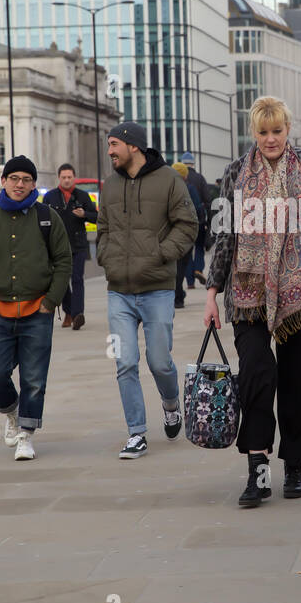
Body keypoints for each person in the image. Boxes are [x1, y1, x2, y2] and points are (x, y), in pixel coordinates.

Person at [204, 96, 301, 508]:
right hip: (247, 294)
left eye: (277, 131)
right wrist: (212, 296)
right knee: (255, 378)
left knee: (297, 383)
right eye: (263, 132)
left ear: (288, 130)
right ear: (254, 133)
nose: (270, 139)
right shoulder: (235, 173)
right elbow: (225, 237)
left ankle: (295, 467)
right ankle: (257, 472)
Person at [96, 122, 199, 460]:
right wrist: (107, 259)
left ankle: (171, 405)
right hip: (119, 292)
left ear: (133, 146)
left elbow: (188, 225)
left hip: (157, 289)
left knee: (159, 362)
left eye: (113, 144)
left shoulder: (169, 180)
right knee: (124, 362)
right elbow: (104, 230)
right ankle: (136, 433)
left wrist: (160, 255)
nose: (109, 151)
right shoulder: (109, 186)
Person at [0, 156, 72, 461]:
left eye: (26, 179)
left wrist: (50, 302)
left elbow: (64, 261)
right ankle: (11, 411)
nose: (19, 184)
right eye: (13, 178)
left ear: (34, 184)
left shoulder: (47, 218)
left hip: (37, 310)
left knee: (34, 379)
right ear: (3, 182)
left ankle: (26, 434)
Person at [42, 163, 97, 330]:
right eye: (64, 177)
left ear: (74, 178)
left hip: (78, 244)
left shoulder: (83, 196)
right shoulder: (50, 197)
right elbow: (43, 220)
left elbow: (96, 217)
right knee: (62, 281)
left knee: (78, 279)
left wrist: (84, 214)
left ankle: (78, 314)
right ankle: (69, 312)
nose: (67, 180)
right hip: (57, 246)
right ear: (59, 178)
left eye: (69, 177)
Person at [171, 161, 206, 310]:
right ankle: (178, 296)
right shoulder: (189, 188)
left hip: (171, 233)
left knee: (175, 266)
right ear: (185, 175)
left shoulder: (167, 188)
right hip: (187, 231)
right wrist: (202, 222)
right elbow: (198, 207)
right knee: (186, 260)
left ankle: (183, 288)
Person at [179, 152, 213, 287]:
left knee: (187, 252)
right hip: (199, 220)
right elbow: (207, 199)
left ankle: (190, 281)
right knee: (199, 247)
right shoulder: (200, 178)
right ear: (193, 163)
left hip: (183, 221)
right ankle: (198, 269)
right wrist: (209, 218)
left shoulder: (179, 179)